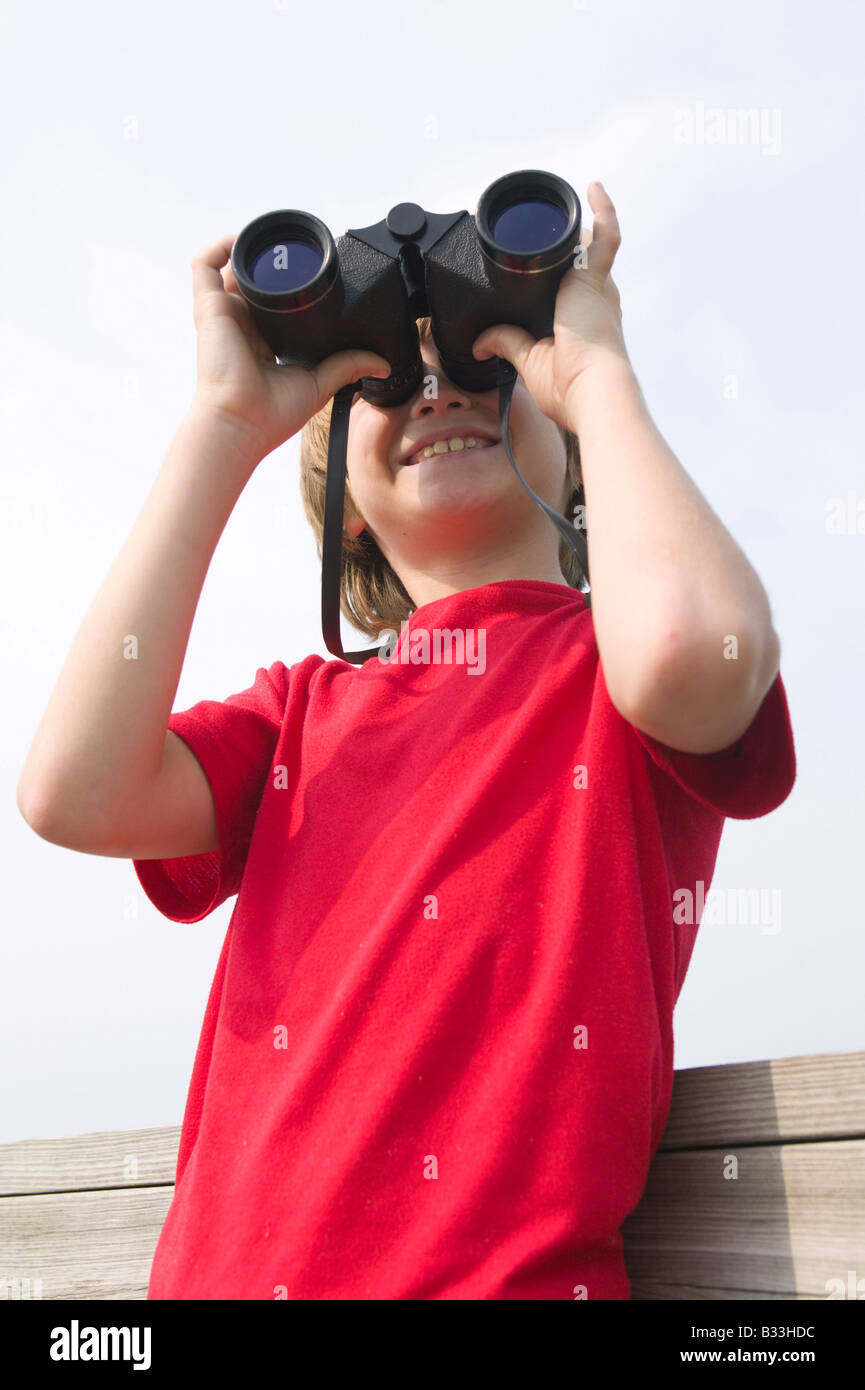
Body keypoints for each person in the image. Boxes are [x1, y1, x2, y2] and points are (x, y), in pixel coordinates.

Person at [16, 181, 796, 1300]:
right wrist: (222, 427)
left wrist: (596, 376)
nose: (437, 386)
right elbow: (69, 791)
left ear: (580, 457)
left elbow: (686, 645)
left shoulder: (618, 675)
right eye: (389, 376)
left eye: (487, 360)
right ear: (339, 501)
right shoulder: (297, 717)